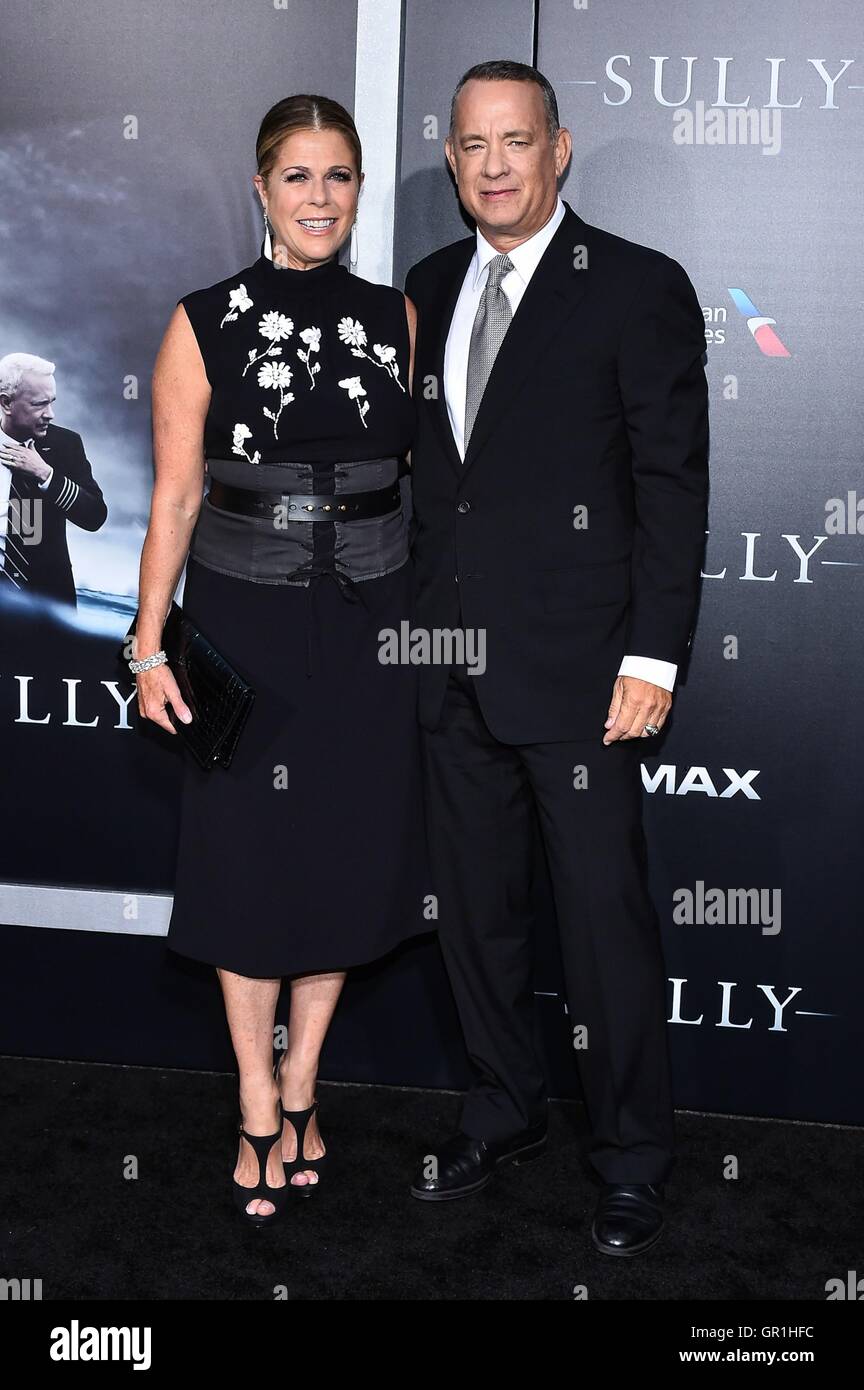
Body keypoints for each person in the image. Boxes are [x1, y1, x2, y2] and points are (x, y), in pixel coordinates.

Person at [405, 61, 709, 1256]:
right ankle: (504, 1108)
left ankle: (632, 1155)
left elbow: (671, 487)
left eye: (516, 142)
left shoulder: (636, 286)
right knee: (477, 919)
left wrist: (654, 658)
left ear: (559, 148)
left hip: (584, 675)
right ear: (450, 159)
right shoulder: (430, 285)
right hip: (447, 664)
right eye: (473, 146)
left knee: (600, 926)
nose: (494, 166)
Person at [132, 95, 429, 1224]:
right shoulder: (202, 319)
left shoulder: (396, 317)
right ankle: (256, 1098)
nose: (319, 196)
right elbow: (173, 499)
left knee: (346, 859)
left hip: (370, 628)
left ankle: (305, 1077)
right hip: (244, 628)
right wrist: (148, 646)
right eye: (297, 175)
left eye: (338, 175)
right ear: (260, 189)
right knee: (248, 865)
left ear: (359, 190)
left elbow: (418, 484)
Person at [0, 353, 107, 606]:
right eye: (39, 404)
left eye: (52, 402)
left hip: (47, 606)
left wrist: (45, 474)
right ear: (6, 403)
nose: (50, 414)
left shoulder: (65, 445)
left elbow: (95, 516)